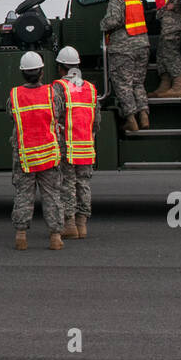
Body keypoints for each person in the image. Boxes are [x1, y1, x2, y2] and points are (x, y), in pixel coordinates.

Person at [7, 50, 65, 250]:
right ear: (41, 72)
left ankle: (21, 236)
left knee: (24, 194)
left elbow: (11, 114)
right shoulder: (52, 93)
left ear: (23, 73)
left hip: (25, 155)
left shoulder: (14, 95)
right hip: (49, 153)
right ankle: (56, 237)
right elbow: (58, 112)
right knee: (52, 195)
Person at [53, 46, 100, 239]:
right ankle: (82, 224)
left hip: (67, 144)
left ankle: (69, 224)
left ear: (61, 68)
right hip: (86, 144)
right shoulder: (89, 88)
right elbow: (97, 120)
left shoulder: (59, 87)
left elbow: (53, 115)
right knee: (84, 183)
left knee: (67, 183)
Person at [98, 0, 150, 131]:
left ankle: (131, 119)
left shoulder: (117, 0)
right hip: (142, 46)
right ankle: (144, 115)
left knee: (123, 83)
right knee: (138, 83)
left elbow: (113, 21)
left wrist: (102, 24)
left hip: (123, 48)